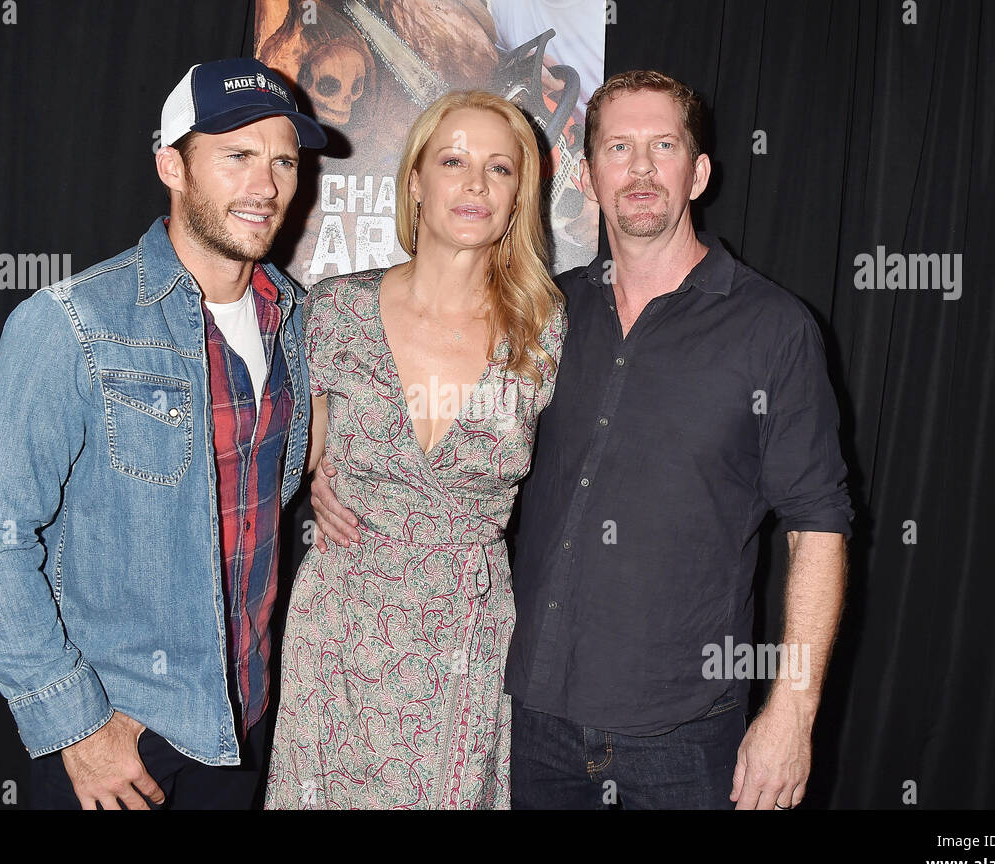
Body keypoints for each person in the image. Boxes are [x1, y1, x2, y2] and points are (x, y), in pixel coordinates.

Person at [314, 69, 854, 810]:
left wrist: (792, 713)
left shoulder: (774, 329)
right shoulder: (542, 319)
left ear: (697, 174)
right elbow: (433, 442)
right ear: (589, 174)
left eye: (662, 146)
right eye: (618, 148)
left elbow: (818, 527)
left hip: (687, 738)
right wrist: (332, 471)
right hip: (533, 723)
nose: (639, 168)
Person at [0, 58, 326, 809]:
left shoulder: (298, 320)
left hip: (241, 721)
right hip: (120, 734)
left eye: (283, 160)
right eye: (237, 156)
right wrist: (75, 726)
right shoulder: (71, 322)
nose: (267, 184)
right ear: (171, 166)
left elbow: (273, 490)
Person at [264, 90, 566, 809]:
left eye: (499, 168)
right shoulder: (333, 309)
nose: (474, 184)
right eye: (453, 160)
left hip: (465, 635)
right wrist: (315, 486)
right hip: (342, 624)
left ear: (519, 194)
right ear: (415, 182)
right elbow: (286, 467)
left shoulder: (546, 332)